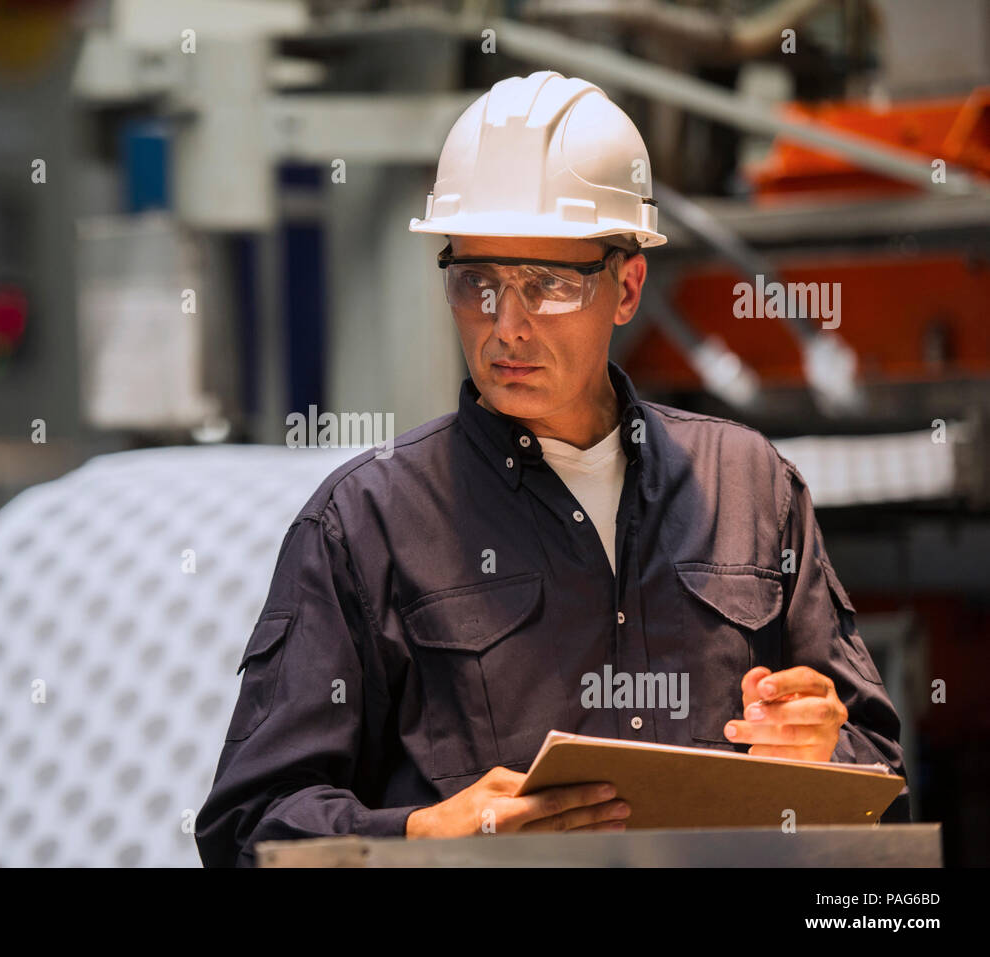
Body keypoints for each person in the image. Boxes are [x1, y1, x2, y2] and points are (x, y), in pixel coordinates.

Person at [195, 70, 906, 868]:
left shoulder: (748, 487)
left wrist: (821, 750)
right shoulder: (366, 523)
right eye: (478, 283)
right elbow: (247, 830)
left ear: (628, 285)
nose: (508, 327)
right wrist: (425, 834)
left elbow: (878, 781)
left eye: (547, 285)